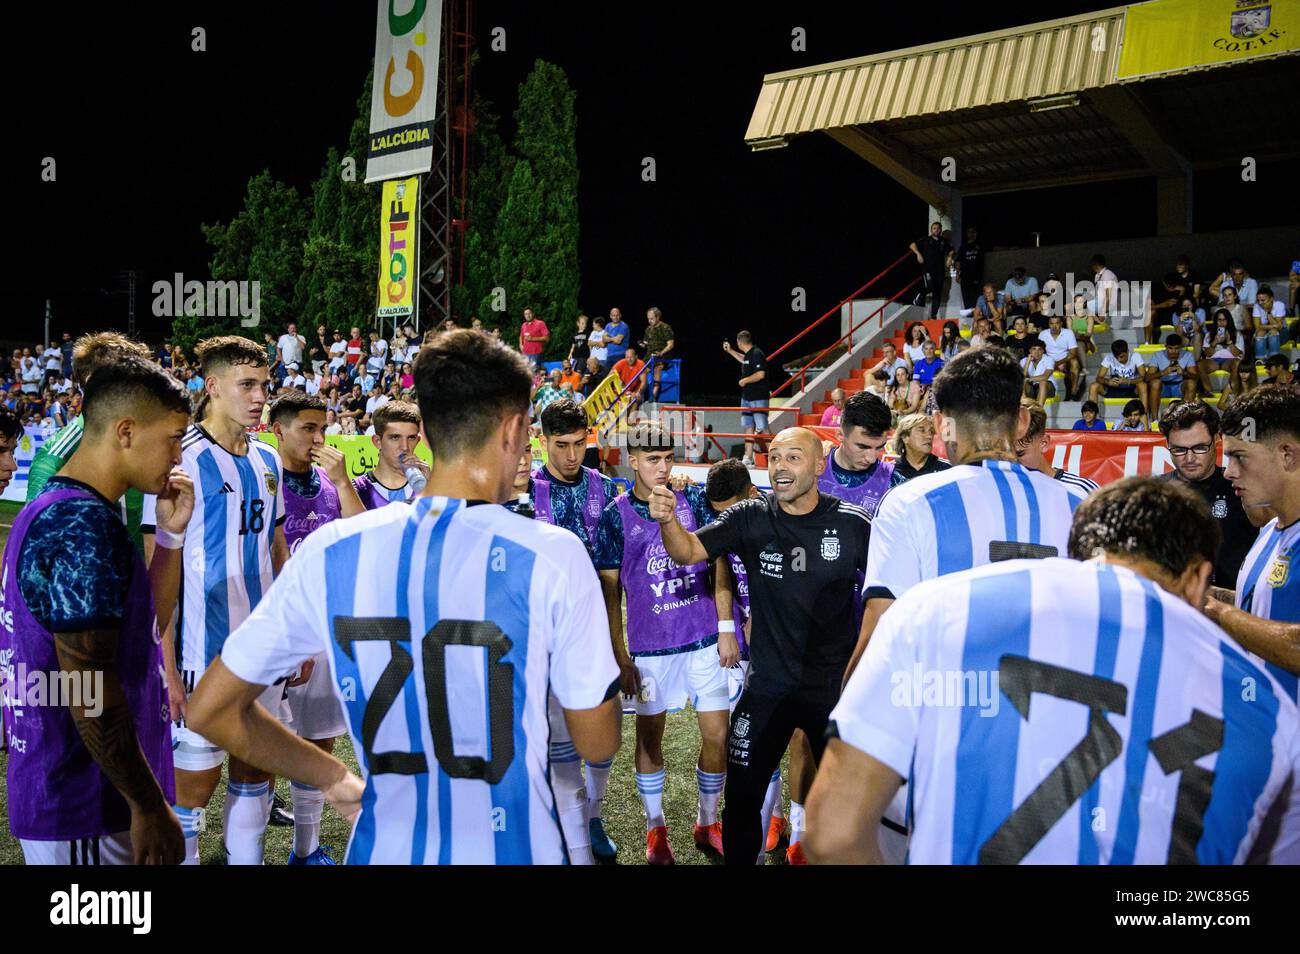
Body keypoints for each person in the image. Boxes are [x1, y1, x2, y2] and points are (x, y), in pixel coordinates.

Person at [186, 329, 622, 864]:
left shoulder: (333, 549)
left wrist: (333, 776)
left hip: (385, 848)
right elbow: (598, 742)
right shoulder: (554, 555)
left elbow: (209, 707)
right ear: (513, 431)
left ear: (429, 432)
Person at [808, 477, 1300, 864]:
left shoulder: (936, 610)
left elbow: (831, 835)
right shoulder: (1269, 711)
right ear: (1197, 580)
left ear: (1081, 548)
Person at [844, 347, 1087, 856]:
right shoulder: (1078, 506)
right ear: (1022, 419)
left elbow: (878, 634)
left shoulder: (912, 502)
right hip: (1050, 763)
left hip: (938, 762)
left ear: (942, 423)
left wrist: (843, 741)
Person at [650, 427, 872, 866]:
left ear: (819, 463)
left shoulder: (852, 523)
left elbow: (886, 596)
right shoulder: (750, 515)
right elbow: (689, 551)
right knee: (742, 802)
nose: (781, 466)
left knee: (852, 807)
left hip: (832, 691)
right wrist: (667, 521)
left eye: (793, 457)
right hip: (766, 687)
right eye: (774, 457)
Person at [0, 362, 193, 865]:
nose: (178, 456)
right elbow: (88, 689)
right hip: (86, 800)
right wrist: (148, 805)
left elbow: (150, 627)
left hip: (81, 791)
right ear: (125, 431)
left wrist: (170, 537)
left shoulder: (61, 507)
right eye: (173, 439)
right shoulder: (81, 523)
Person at [162, 336, 295, 865]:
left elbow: (278, 549)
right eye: (248, 385)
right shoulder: (183, 461)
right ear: (212, 387)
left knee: (256, 770)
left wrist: (294, 638)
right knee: (193, 783)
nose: (261, 396)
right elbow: (160, 571)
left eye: (264, 385)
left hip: (263, 652)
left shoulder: (268, 460)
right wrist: (165, 664)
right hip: (202, 656)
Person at [593, 421, 735, 864]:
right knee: (649, 739)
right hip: (651, 648)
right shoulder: (616, 514)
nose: (661, 467)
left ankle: (707, 820)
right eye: (652, 459)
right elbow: (610, 589)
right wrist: (619, 653)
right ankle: (656, 830)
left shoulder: (692, 497)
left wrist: (726, 624)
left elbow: (719, 560)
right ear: (632, 460)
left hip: (703, 638)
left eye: (667, 458)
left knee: (718, 733)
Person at [265, 390, 365, 864]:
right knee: (259, 748)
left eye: (322, 428)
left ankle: (305, 851)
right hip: (273, 630)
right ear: (278, 429)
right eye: (308, 428)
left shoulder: (330, 482)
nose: (318, 438)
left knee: (317, 741)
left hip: (322, 632)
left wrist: (343, 484)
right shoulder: (262, 481)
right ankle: (242, 847)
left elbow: (360, 539)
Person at [525, 398, 622, 862]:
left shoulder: (606, 490)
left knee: (603, 737)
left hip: (594, 629)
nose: (570, 455)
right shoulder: (522, 489)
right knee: (551, 740)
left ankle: (594, 815)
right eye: (560, 445)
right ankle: (558, 822)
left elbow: (613, 573)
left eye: (578, 444)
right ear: (542, 440)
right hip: (535, 636)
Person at [702, 459, 789, 855]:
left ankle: (780, 816)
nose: (726, 524)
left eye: (730, 513)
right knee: (748, 737)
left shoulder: (784, 515)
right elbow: (721, 561)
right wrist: (726, 627)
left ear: (751, 497)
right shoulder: (730, 519)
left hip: (786, 645)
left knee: (782, 735)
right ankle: (757, 821)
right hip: (747, 646)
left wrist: (765, 615)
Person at [26, 332, 159, 561]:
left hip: (136, 590)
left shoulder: (145, 450)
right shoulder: (55, 458)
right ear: (90, 380)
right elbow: (35, 550)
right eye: (127, 377)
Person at [1156, 400, 1256, 591]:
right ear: (1167, 444)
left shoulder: (1243, 488)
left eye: (1200, 447)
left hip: (1234, 612)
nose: (1190, 458)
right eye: (1179, 450)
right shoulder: (1153, 494)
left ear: (1217, 439)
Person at [817, 392, 901, 517]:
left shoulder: (894, 482)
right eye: (862, 447)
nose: (871, 459)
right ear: (840, 435)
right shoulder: (811, 470)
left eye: (879, 447)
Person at [352, 401, 429, 509]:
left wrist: (432, 491)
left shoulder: (428, 486)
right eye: (395, 437)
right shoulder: (356, 490)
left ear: (418, 440)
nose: (405, 447)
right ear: (377, 441)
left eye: (411, 438)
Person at [1015, 398, 1098, 493]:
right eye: (1000, 457)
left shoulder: (1082, 491)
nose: (1008, 464)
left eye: (1019, 454)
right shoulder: (999, 490)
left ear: (1043, 443)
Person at [723, 330, 770, 465]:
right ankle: (747, 457)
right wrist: (730, 351)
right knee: (748, 426)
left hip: (759, 397)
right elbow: (744, 360)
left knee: (763, 427)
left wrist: (745, 380)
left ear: (739, 342)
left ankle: (775, 457)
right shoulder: (749, 355)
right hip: (747, 398)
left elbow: (760, 374)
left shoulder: (757, 353)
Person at [1197, 308, 1246, 399]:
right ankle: (1208, 391)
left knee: (1237, 362)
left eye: (1224, 320)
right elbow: (1208, 354)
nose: (1222, 323)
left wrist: (1229, 342)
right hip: (1213, 361)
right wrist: (1214, 342)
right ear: (1216, 321)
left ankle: (1231, 390)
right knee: (1200, 364)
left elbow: (1238, 354)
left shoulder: (1237, 334)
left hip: (1229, 361)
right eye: (1219, 320)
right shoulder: (1209, 335)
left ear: (1228, 321)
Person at [1145, 333, 1197, 415]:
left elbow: (1195, 376)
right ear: (1166, 347)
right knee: (1155, 383)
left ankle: (1186, 417)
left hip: (1179, 386)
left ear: (1181, 347)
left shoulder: (1187, 355)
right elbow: (1147, 378)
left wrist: (1184, 372)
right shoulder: (1158, 355)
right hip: (1163, 387)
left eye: (1176, 348)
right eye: (1170, 348)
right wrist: (1163, 372)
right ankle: (1154, 420)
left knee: (1191, 383)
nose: (1173, 351)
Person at [890, 412, 951, 481]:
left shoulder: (947, 469)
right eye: (922, 430)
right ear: (905, 437)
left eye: (931, 431)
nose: (929, 436)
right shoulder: (889, 472)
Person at [909, 222, 952, 319]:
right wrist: (918, 254)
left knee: (937, 293)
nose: (936, 230)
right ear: (931, 230)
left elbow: (951, 250)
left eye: (938, 228)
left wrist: (949, 257)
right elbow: (912, 245)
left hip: (940, 271)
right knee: (929, 287)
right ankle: (919, 296)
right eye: (934, 228)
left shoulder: (943, 241)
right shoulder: (926, 240)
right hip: (927, 270)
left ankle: (933, 315)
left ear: (940, 230)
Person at [1089, 338, 1145, 411]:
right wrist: (1108, 381)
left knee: (1143, 385)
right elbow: (1099, 378)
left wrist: (1127, 381)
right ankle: (1092, 416)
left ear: (1127, 352)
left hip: (1131, 388)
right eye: (1116, 357)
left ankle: (1143, 416)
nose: (1119, 359)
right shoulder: (1109, 357)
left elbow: (1143, 377)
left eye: (1121, 356)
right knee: (1094, 386)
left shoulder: (1135, 356)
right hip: (1113, 388)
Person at [1039, 314, 1083, 400]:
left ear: (1061, 324)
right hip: (1048, 360)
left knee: (1074, 362)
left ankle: (1074, 390)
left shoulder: (1068, 333)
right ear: (1049, 324)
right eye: (1052, 323)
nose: (1054, 326)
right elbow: (1039, 351)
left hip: (1065, 360)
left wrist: (1058, 363)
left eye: (1057, 323)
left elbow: (1073, 353)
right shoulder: (1043, 334)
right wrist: (1050, 363)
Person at [640, 307, 675, 403]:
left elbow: (670, 345)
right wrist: (643, 344)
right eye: (648, 319)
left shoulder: (665, 327)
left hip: (662, 356)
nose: (649, 321)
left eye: (652, 319)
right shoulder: (648, 329)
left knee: (657, 368)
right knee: (640, 370)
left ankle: (653, 395)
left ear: (658, 317)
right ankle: (639, 396)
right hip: (649, 356)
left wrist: (661, 353)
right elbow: (646, 343)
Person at [955, 225, 984, 311]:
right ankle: (969, 316)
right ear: (967, 234)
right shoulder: (963, 247)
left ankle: (977, 314)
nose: (971, 234)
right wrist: (957, 274)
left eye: (973, 232)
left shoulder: (980, 245)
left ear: (976, 234)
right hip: (965, 276)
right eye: (969, 232)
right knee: (966, 297)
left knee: (976, 297)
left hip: (977, 276)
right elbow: (958, 260)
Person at [1020, 340, 1055, 404]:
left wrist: (1029, 379)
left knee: (1043, 382)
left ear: (1043, 351)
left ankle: (1039, 411)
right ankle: (1023, 404)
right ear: (1030, 351)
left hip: (1047, 388)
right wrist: (1027, 362)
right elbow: (1022, 376)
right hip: (1031, 388)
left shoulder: (1049, 359)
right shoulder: (1024, 360)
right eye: (1034, 349)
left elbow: (1045, 377)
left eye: (1039, 349)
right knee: (1021, 382)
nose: (1037, 352)